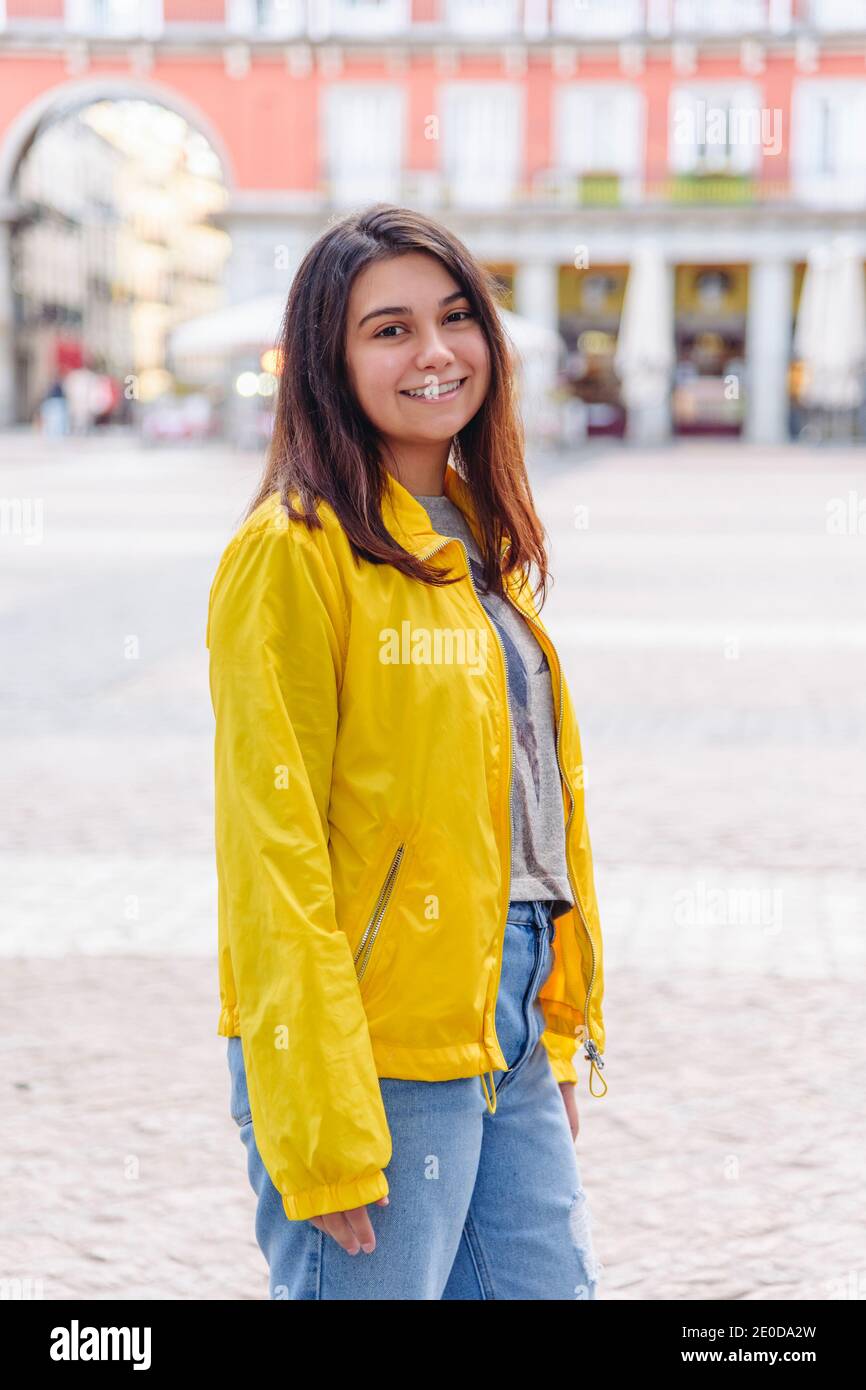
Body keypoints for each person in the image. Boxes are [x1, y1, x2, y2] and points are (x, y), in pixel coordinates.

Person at [207, 204, 608, 1301]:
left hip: (502, 1024)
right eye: (388, 331)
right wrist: (318, 1109)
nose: (435, 353)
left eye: (454, 318)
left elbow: (517, 812)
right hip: (371, 1046)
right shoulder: (291, 554)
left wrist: (549, 1024)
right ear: (329, 366)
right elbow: (269, 853)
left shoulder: (473, 541)